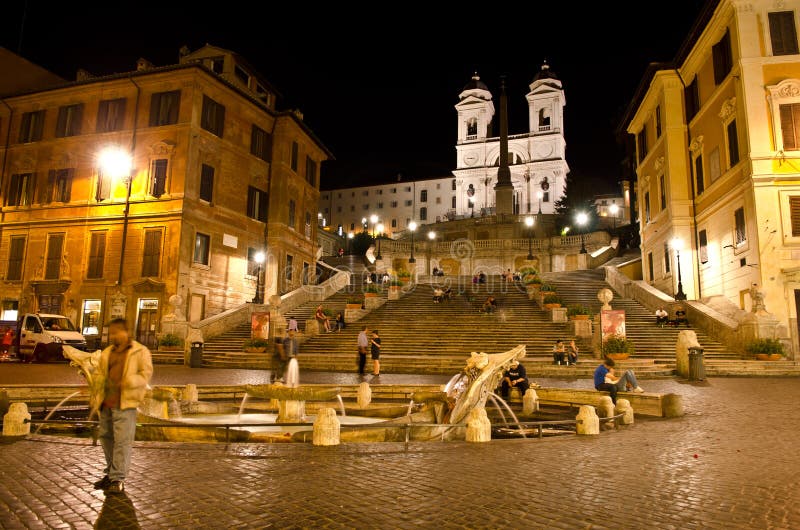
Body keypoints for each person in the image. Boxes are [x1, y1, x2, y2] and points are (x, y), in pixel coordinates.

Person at [93, 318, 153, 494]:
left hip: (126, 402)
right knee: (106, 437)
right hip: (106, 402)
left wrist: (126, 382)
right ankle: (111, 473)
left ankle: (118, 478)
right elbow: (99, 373)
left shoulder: (140, 352)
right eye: (111, 332)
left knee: (122, 441)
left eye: (117, 331)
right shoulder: (107, 352)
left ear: (127, 332)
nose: (114, 335)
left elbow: (145, 375)